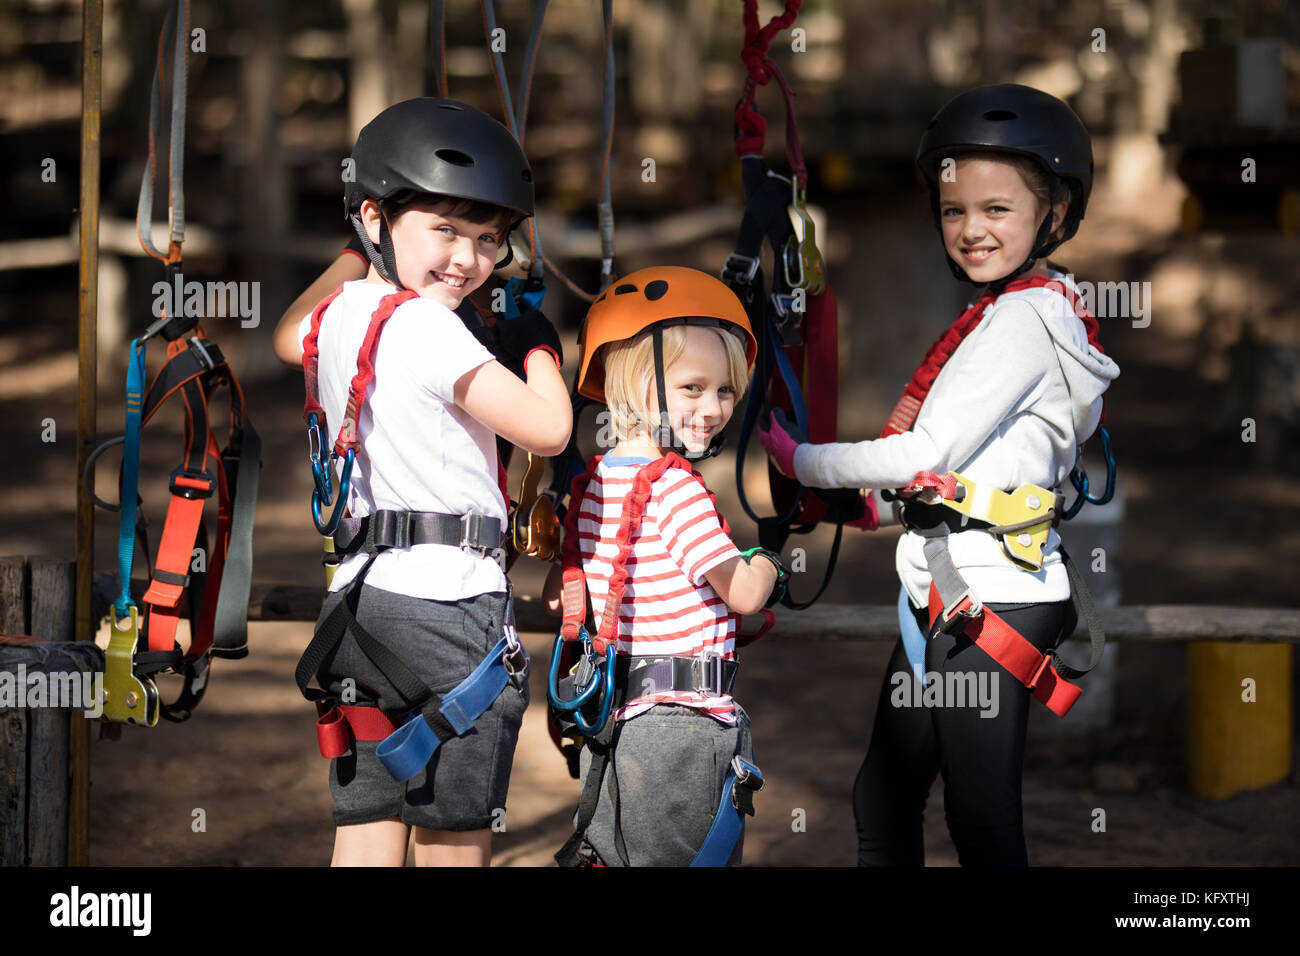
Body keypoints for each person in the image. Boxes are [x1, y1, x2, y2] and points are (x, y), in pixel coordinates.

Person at [761, 84, 1120, 866]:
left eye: (998, 209)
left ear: (1054, 214)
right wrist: (869, 514)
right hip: (960, 590)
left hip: (991, 602)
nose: (971, 229)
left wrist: (799, 461)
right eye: (956, 210)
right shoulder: (1036, 307)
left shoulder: (1023, 321)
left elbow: (922, 456)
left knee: (979, 818)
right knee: (886, 799)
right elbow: (974, 478)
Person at [292, 97, 571, 867]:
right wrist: (537, 346)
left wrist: (363, 244)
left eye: (487, 240)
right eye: (444, 231)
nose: (468, 260)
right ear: (379, 219)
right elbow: (549, 429)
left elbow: (289, 335)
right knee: (453, 836)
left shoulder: (344, 311)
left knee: (369, 824)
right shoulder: (428, 327)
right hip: (448, 614)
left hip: (360, 607)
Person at [544, 266, 787, 866]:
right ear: (631, 385)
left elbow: (562, 596)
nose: (714, 408)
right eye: (693, 388)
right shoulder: (678, 489)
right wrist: (770, 563)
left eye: (726, 390)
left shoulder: (594, 483)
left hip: (616, 720)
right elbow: (745, 595)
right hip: (685, 725)